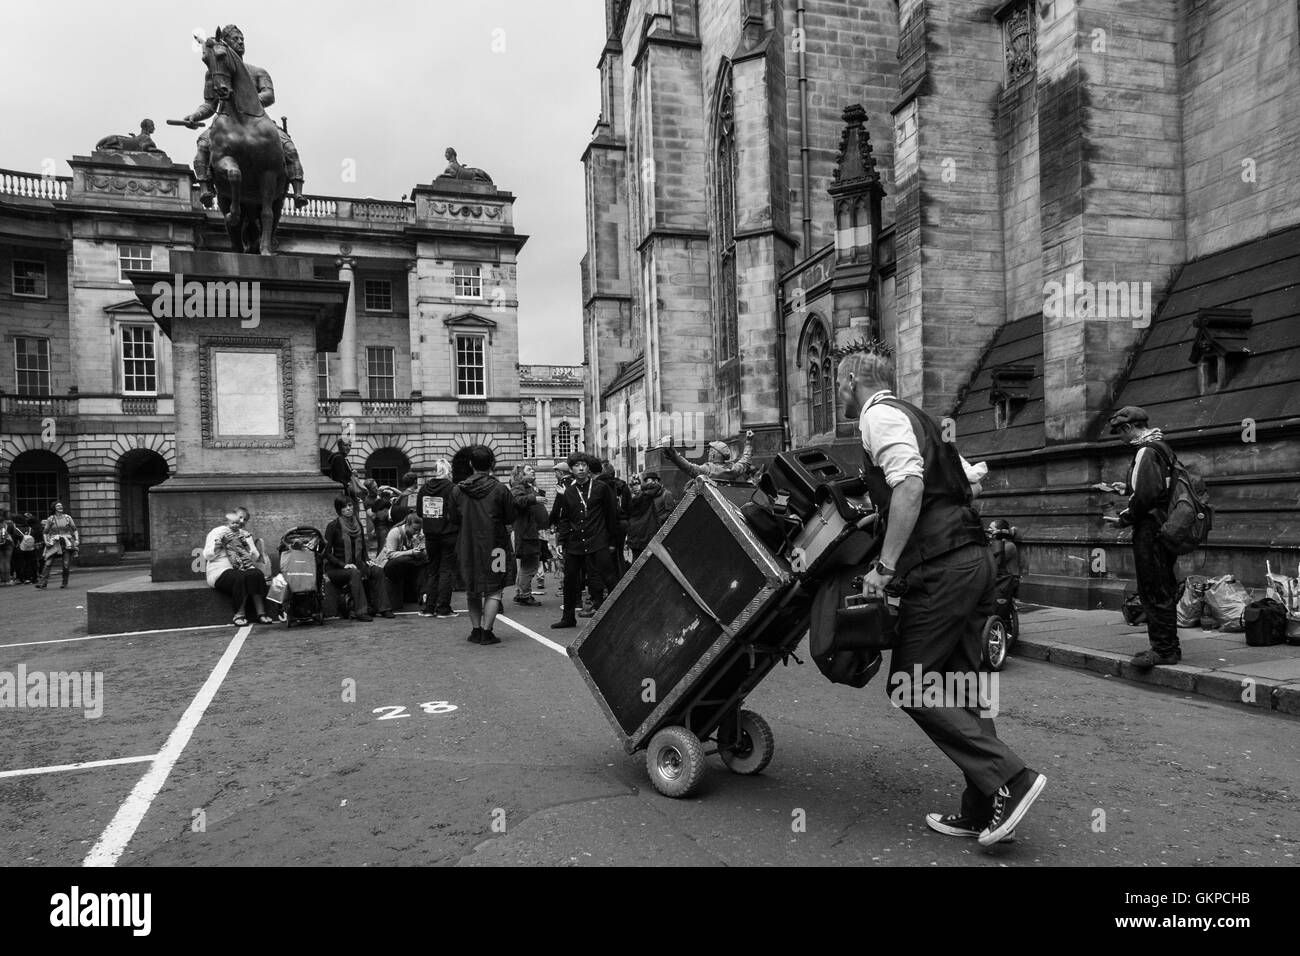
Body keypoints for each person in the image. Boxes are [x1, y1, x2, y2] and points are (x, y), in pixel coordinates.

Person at [839, 339, 1045, 848]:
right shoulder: (919, 417)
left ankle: (1012, 779)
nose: (838, 392)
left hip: (941, 569)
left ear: (849, 382)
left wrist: (884, 567)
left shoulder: (876, 418)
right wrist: (881, 516)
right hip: (975, 560)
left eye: (838, 384)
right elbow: (962, 486)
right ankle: (985, 808)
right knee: (965, 686)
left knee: (909, 684)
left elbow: (909, 486)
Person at [181, 24, 307, 209]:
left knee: (289, 147)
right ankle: (206, 188)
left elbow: (269, 95)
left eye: (242, 39)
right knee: (203, 144)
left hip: (257, 120)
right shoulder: (213, 73)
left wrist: (246, 99)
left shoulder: (258, 72)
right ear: (225, 44)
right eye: (235, 39)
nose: (240, 42)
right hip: (225, 121)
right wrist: (195, 116)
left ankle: (298, 193)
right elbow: (210, 104)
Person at [1101, 406, 1181, 668]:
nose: (1121, 438)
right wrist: (1127, 488)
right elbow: (1158, 488)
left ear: (1128, 428)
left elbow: (1146, 497)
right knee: (1162, 586)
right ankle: (1167, 647)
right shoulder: (1162, 446)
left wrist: (1122, 519)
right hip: (1164, 525)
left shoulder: (1146, 451)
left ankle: (1164, 650)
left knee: (1153, 588)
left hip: (1151, 529)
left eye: (1120, 433)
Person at [452, 445, 515, 645]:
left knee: (472, 587)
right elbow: (510, 517)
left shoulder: (458, 490)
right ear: (492, 464)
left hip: (467, 544)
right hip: (496, 546)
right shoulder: (500, 489)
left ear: (471, 464)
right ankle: (487, 631)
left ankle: (476, 629)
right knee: (495, 589)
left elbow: (453, 519)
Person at [549, 453, 619, 629]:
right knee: (570, 581)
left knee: (609, 577)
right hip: (575, 543)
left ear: (588, 468)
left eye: (583, 465)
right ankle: (568, 617)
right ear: (571, 470)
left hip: (598, 540)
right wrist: (561, 541)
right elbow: (565, 518)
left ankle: (620, 612)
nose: (580, 468)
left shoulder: (601, 488)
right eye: (576, 466)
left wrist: (612, 541)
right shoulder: (569, 492)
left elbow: (612, 515)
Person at [323, 496, 390, 622]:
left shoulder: (358, 523)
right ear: (339, 510)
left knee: (377, 570)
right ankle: (361, 611)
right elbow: (326, 553)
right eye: (344, 507)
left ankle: (384, 608)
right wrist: (343, 565)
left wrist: (366, 559)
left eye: (350, 505)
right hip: (337, 568)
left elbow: (363, 545)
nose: (348, 508)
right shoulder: (333, 526)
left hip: (357, 564)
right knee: (354, 572)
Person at [203, 509, 271, 625]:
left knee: (256, 574)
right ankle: (239, 615)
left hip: (241, 567)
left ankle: (261, 613)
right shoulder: (218, 532)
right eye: (240, 517)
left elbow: (255, 557)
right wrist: (217, 547)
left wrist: (249, 546)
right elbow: (207, 555)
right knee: (241, 576)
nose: (241, 521)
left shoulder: (243, 534)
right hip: (219, 570)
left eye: (245, 519)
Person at [416, 459, 461, 619]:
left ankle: (429, 608)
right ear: (448, 471)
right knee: (446, 571)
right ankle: (443, 608)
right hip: (449, 534)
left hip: (430, 535)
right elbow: (457, 512)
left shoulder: (424, 488)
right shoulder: (453, 488)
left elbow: (420, 512)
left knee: (432, 571)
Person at [510, 464, 548, 607]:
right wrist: (534, 498)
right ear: (520, 474)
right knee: (530, 565)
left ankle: (521, 592)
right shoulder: (518, 487)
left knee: (528, 564)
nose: (533, 471)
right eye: (529, 470)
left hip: (532, 531)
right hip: (527, 532)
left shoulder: (528, 487)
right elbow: (516, 501)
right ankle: (524, 595)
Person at [658, 430, 755, 483]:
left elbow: (688, 467)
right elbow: (745, 461)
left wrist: (672, 452)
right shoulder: (733, 469)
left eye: (711, 450)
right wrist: (749, 442)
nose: (708, 451)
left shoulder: (708, 469)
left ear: (714, 454)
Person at [378, 513, 426, 613]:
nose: (416, 532)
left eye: (418, 529)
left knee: (423, 561)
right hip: (388, 565)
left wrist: (420, 549)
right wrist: (411, 552)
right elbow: (390, 554)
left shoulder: (418, 534)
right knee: (407, 559)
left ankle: (423, 594)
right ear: (407, 525)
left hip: (406, 564)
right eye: (414, 529)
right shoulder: (395, 532)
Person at [626, 471, 677, 563]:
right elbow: (656, 487)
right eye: (650, 481)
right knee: (648, 561)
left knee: (637, 561)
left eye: (654, 480)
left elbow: (670, 512)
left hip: (637, 534)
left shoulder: (628, 499)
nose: (652, 483)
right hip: (646, 534)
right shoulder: (646, 496)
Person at [596, 461, 633, 577]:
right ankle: (622, 580)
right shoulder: (623, 485)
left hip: (609, 524)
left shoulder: (600, 485)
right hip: (623, 523)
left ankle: (613, 584)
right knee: (619, 554)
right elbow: (629, 506)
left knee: (608, 556)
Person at [987, 519, 1022, 632]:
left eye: (991, 529)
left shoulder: (1008, 546)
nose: (988, 531)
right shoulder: (1001, 545)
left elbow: (994, 560)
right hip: (1002, 579)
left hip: (1007, 581)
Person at [36, 501, 79, 590]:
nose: (60, 507)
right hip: (54, 542)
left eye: (61, 505)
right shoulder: (51, 519)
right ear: (54, 508)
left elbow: (74, 529)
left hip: (66, 542)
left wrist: (77, 539)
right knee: (48, 563)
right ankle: (42, 583)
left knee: (66, 564)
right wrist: (46, 541)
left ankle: (64, 582)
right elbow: (45, 532)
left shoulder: (67, 518)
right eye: (58, 506)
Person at [12, 512, 39, 585]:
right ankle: (32, 578)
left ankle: (23, 578)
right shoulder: (30, 528)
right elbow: (34, 536)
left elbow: (14, 540)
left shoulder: (17, 530)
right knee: (31, 562)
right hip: (31, 548)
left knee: (21, 563)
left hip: (21, 549)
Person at [0, 509, 15, 585]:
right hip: (8, 543)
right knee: (7, 562)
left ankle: (2, 580)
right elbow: (14, 533)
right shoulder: (10, 523)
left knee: (1, 561)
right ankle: (8, 580)